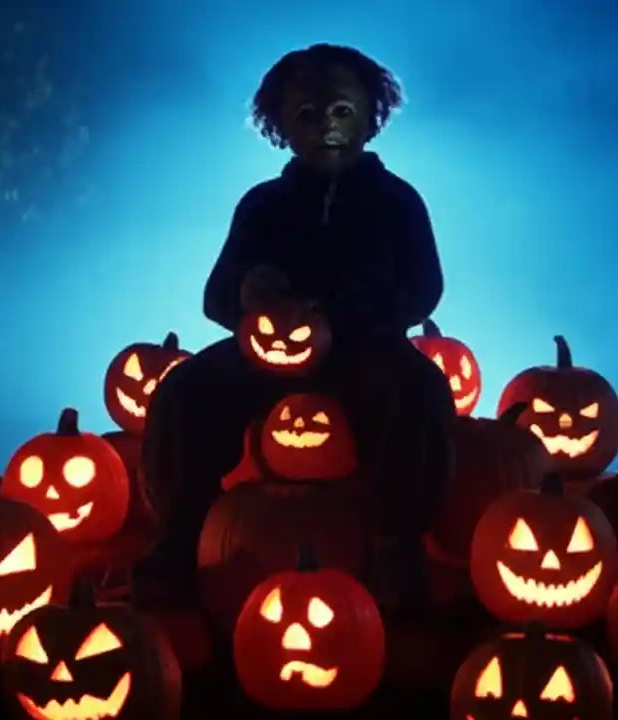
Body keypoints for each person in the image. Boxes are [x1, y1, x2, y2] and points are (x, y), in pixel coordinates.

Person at [137, 43, 454, 610]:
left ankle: (396, 545)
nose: (326, 127)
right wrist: (248, 294)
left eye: (341, 111)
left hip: (366, 347)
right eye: (306, 115)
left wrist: (347, 312)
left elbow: (424, 288)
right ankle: (182, 536)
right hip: (268, 350)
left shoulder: (397, 202)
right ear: (279, 125)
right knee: (186, 391)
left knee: (419, 390)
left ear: (370, 116)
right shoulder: (263, 206)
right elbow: (216, 296)